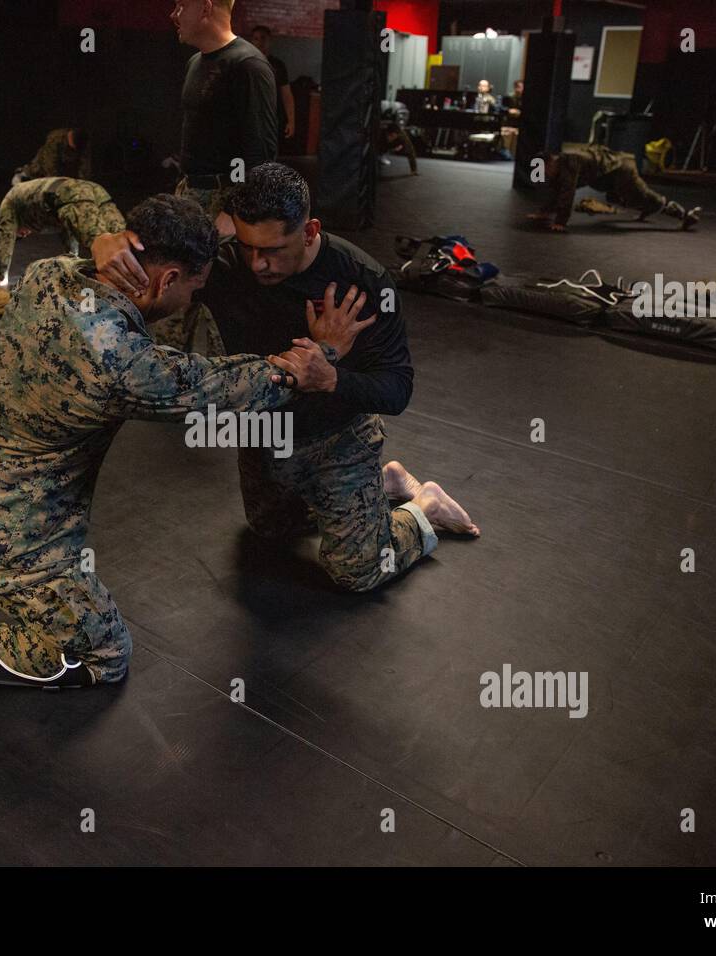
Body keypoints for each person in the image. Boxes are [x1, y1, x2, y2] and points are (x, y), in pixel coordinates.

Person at [0, 195, 356, 726]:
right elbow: (222, 388)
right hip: (7, 526)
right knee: (101, 653)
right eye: (195, 287)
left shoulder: (46, 274)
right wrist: (320, 356)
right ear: (167, 279)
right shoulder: (121, 365)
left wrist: (100, 239)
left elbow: (56, 199)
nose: (196, 299)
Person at [94, 163, 480, 594]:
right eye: (247, 247)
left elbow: (398, 389)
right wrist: (105, 240)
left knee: (358, 571)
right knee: (269, 528)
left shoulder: (362, 281)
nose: (259, 264)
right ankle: (382, 484)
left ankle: (422, 506)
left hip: (338, 434)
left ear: (310, 230)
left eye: (274, 249)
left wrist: (331, 378)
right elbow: (154, 255)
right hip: (265, 429)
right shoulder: (225, 264)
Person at [171, 0, 278, 231]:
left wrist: (233, 210)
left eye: (181, 6)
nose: (174, 14)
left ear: (205, 9)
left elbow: (261, 153)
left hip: (223, 201)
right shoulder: (194, 62)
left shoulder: (248, 65)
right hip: (189, 193)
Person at [0, 176, 124, 287]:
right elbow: (69, 230)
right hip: (94, 189)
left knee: (104, 247)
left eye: (19, 235)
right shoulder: (31, 206)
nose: (24, 234)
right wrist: (73, 263)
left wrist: (0, 278)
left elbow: (4, 243)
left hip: (69, 193)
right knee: (122, 238)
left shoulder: (8, 204)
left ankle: (124, 289)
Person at [528, 145, 702, 232]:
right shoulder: (559, 167)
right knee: (619, 199)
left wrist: (560, 222)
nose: (545, 174)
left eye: (545, 170)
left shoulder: (569, 163)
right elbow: (555, 189)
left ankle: (684, 215)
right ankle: (646, 207)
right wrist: (544, 211)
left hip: (620, 169)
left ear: (551, 161)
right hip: (606, 176)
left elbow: (568, 191)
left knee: (643, 196)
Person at [250, 24, 295, 147]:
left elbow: (286, 95)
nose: (259, 42)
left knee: (269, 154)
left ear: (269, 41)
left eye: (263, 38)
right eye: (256, 38)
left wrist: (291, 121)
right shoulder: (244, 63)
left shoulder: (278, 65)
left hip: (271, 118)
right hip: (250, 117)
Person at [13, 127, 90, 183]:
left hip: (66, 169)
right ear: (70, 137)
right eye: (72, 146)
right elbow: (50, 163)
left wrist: (82, 182)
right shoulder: (56, 139)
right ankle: (23, 173)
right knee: (38, 171)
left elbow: (84, 165)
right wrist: (55, 182)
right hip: (44, 165)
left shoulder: (82, 144)